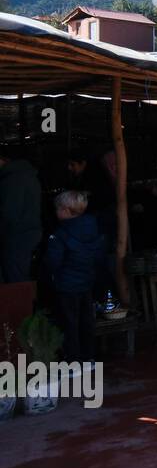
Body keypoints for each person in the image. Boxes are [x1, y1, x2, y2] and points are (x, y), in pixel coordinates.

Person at [45, 190, 105, 362]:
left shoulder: (60, 234)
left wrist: (51, 276)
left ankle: (73, 361)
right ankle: (89, 357)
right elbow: (98, 256)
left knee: (69, 324)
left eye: (57, 209)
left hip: (66, 285)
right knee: (86, 321)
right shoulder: (92, 227)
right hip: (86, 282)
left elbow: (52, 261)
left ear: (65, 210)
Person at [0, 148, 43, 283]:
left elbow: (9, 212)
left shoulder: (12, 179)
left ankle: (20, 303)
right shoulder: (27, 175)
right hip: (27, 231)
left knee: (15, 276)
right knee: (19, 273)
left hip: (16, 235)